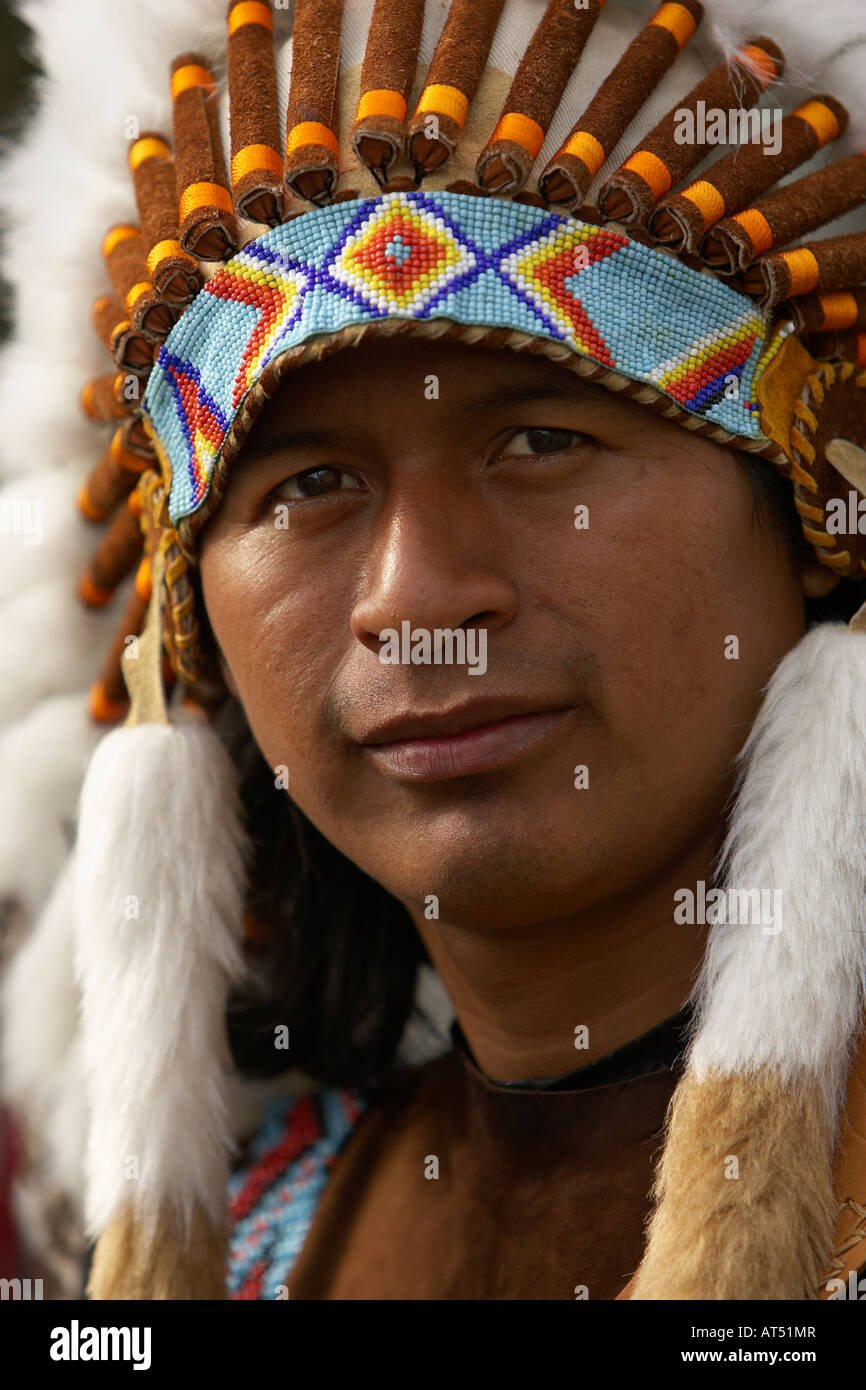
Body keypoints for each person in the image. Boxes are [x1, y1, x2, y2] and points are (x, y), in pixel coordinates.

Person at [1, 0, 865, 1302]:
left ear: (812, 506)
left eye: (539, 443)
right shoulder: (260, 1234)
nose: (414, 598)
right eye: (308, 484)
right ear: (184, 633)